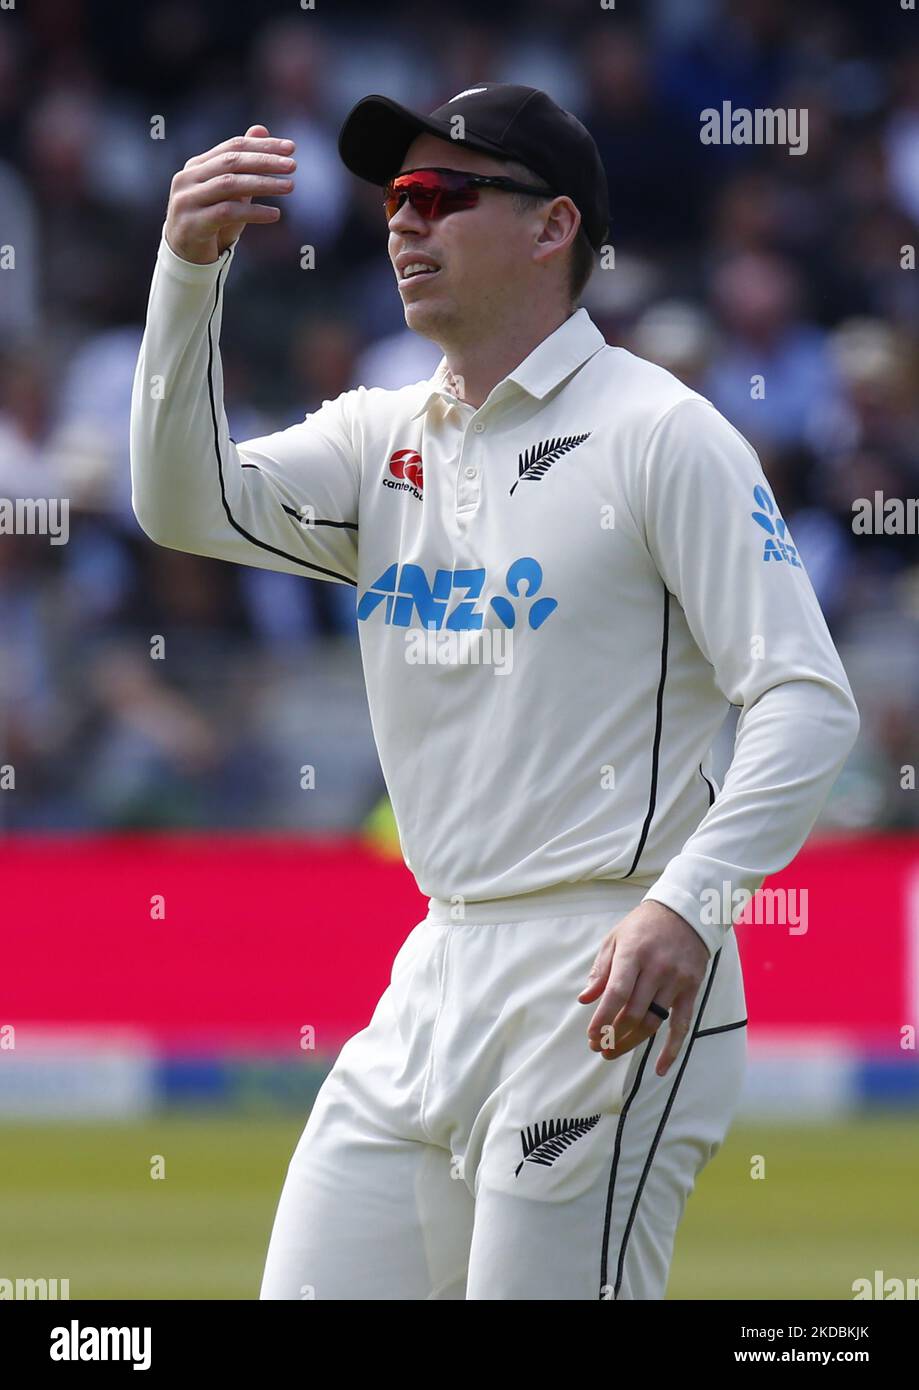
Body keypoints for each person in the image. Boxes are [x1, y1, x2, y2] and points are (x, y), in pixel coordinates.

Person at [129, 83, 859, 1300]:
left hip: (614, 968)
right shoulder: (381, 437)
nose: (402, 225)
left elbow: (804, 698)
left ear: (550, 225)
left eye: (438, 195)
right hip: (437, 966)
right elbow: (181, 501)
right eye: (393, 201)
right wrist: (186, 272)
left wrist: (687, 906)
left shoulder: (660, 434)